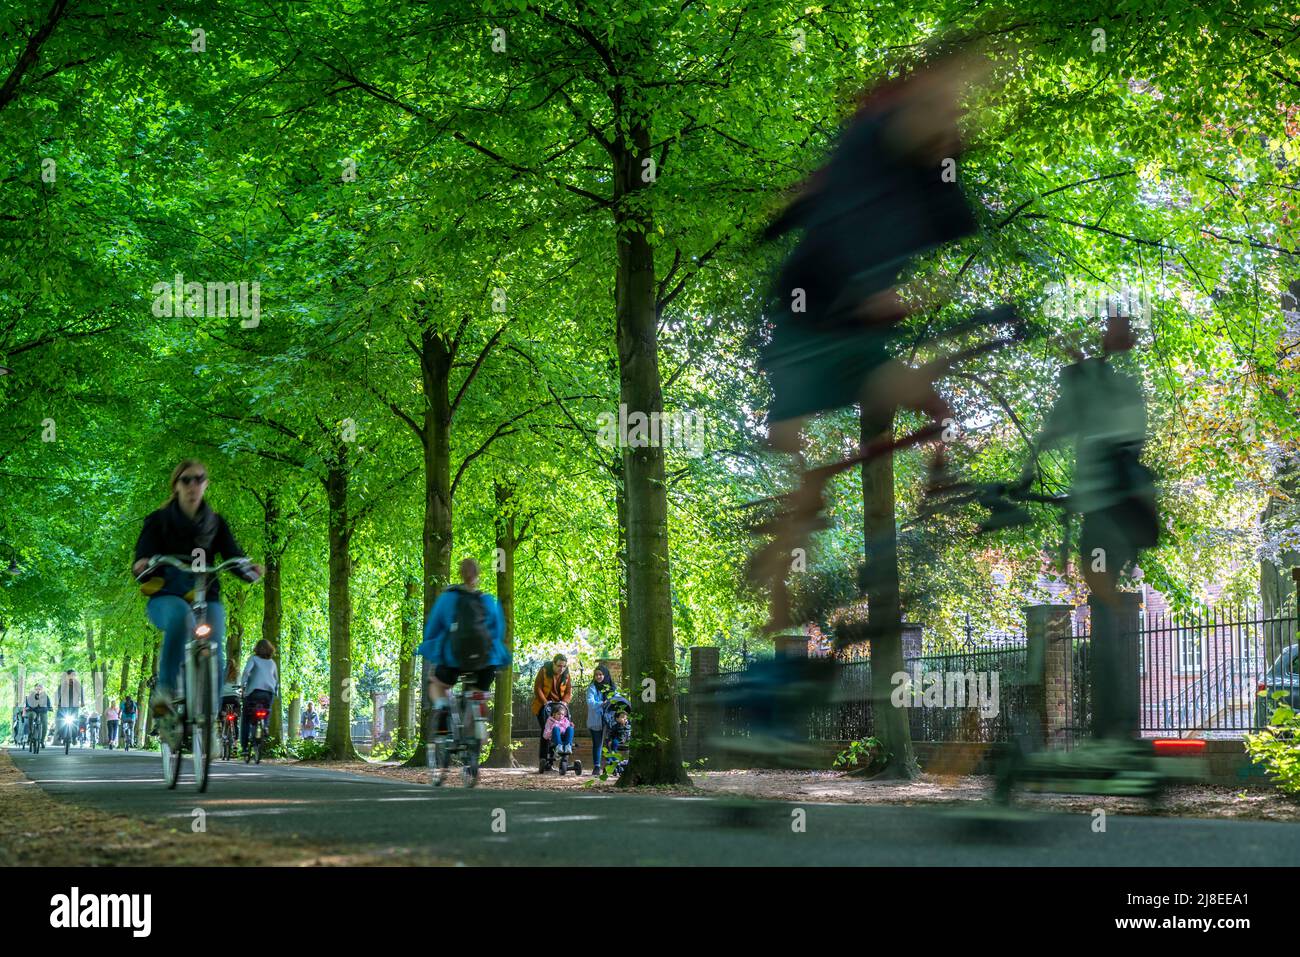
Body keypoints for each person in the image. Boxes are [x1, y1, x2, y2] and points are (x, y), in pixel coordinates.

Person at [1016, 312, 1155, 744]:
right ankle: (1114, 722)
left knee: (1101, 593)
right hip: (1128, 513)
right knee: (1104, 597)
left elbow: (1056, 432)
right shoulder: (1119, 386)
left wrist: (1025, 475)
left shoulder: (1097, 385)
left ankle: (1111, 726)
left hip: (1106, 512)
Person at [131, 459, 262, 747]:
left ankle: (209, 723)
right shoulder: (159, 521)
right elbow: (142, 557)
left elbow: (234, 556)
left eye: (199, 479)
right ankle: (164, 701)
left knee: (215, 646)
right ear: (176, 485)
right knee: (181, 619)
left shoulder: (216, 523)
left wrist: (248, 569)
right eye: (186, 480)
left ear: (206, 484)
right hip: (166, 597)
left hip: (206, 597)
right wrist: (143, 564)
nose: (193, 485)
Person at [416, 558, 509, 749]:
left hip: (453, 658)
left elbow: (432, 628)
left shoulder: (447, 598)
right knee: (479, 692)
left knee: (435, 682)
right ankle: (478, 722)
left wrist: (431, 646)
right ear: (478, 575)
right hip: (485, 660)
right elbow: (499, 632)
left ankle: (442, 708)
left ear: (460, 574)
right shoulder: (488, 600)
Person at [531, 654, 572, 769]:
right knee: (546, 732)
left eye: (564, 666)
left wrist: (564, 702)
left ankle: (555, 760)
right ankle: (543, 760)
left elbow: (569, 691)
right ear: (553, 663)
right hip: (543, 706)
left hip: (559, 707)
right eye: (559, 666)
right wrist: (545, 702)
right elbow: (537, 687)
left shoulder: (566, 674)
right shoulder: (544, 670)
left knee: (560, 731)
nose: (561, 669)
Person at [240, 639, 278, 753]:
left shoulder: (253, 658)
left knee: (246, 718)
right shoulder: (272, 662)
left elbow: (246, 672)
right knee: (266, 711)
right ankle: (265, 726)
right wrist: (275, 692)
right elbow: (276, 679)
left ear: (257, 648)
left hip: (254, 692)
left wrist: (242, 685)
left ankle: (245, 747)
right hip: (268, 693)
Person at [585, 664, 616, 771]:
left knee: (610, 743)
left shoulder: (612, 688)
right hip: (595, 720)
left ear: (605, 675)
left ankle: (611, 765)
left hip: (609, 720)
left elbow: (617, 701)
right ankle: (597, 766)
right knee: (597, 744)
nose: (598, 677)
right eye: (596, 675)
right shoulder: (592, 687)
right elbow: (590, 703)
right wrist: (602, 703)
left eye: (601, 674)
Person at [55, 670, 84, 747]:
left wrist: (82, 702)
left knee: (75, 721)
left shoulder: (77, 684)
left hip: (74, 706)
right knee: (61, 720)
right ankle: (60, 735)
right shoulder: (63, 684)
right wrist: (57, 702)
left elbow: (81, 693)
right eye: (70, 675)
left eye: (73, 675)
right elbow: (58, 694)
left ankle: (74, 737)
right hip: (64, 706)